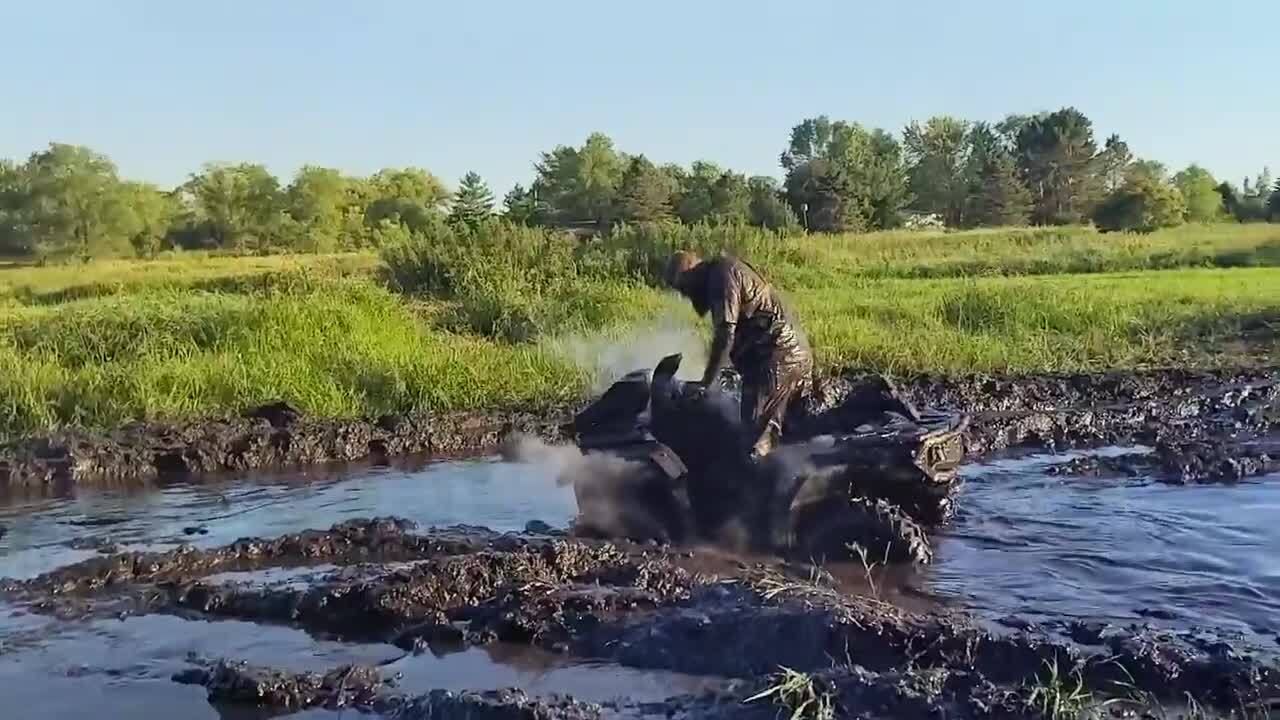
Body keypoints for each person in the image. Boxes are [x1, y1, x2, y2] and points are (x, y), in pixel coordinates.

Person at [663, 250, 813, 459]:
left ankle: (767, 484)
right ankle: (789, 472)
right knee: (780, 433)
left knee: (754, 439)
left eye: (682, 288)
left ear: (690, 274)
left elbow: (726, 333)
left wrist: (707, 382)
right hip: (787, 354)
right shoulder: (723, 272)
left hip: (777, 357)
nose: (685, 296)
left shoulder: (721, 275)